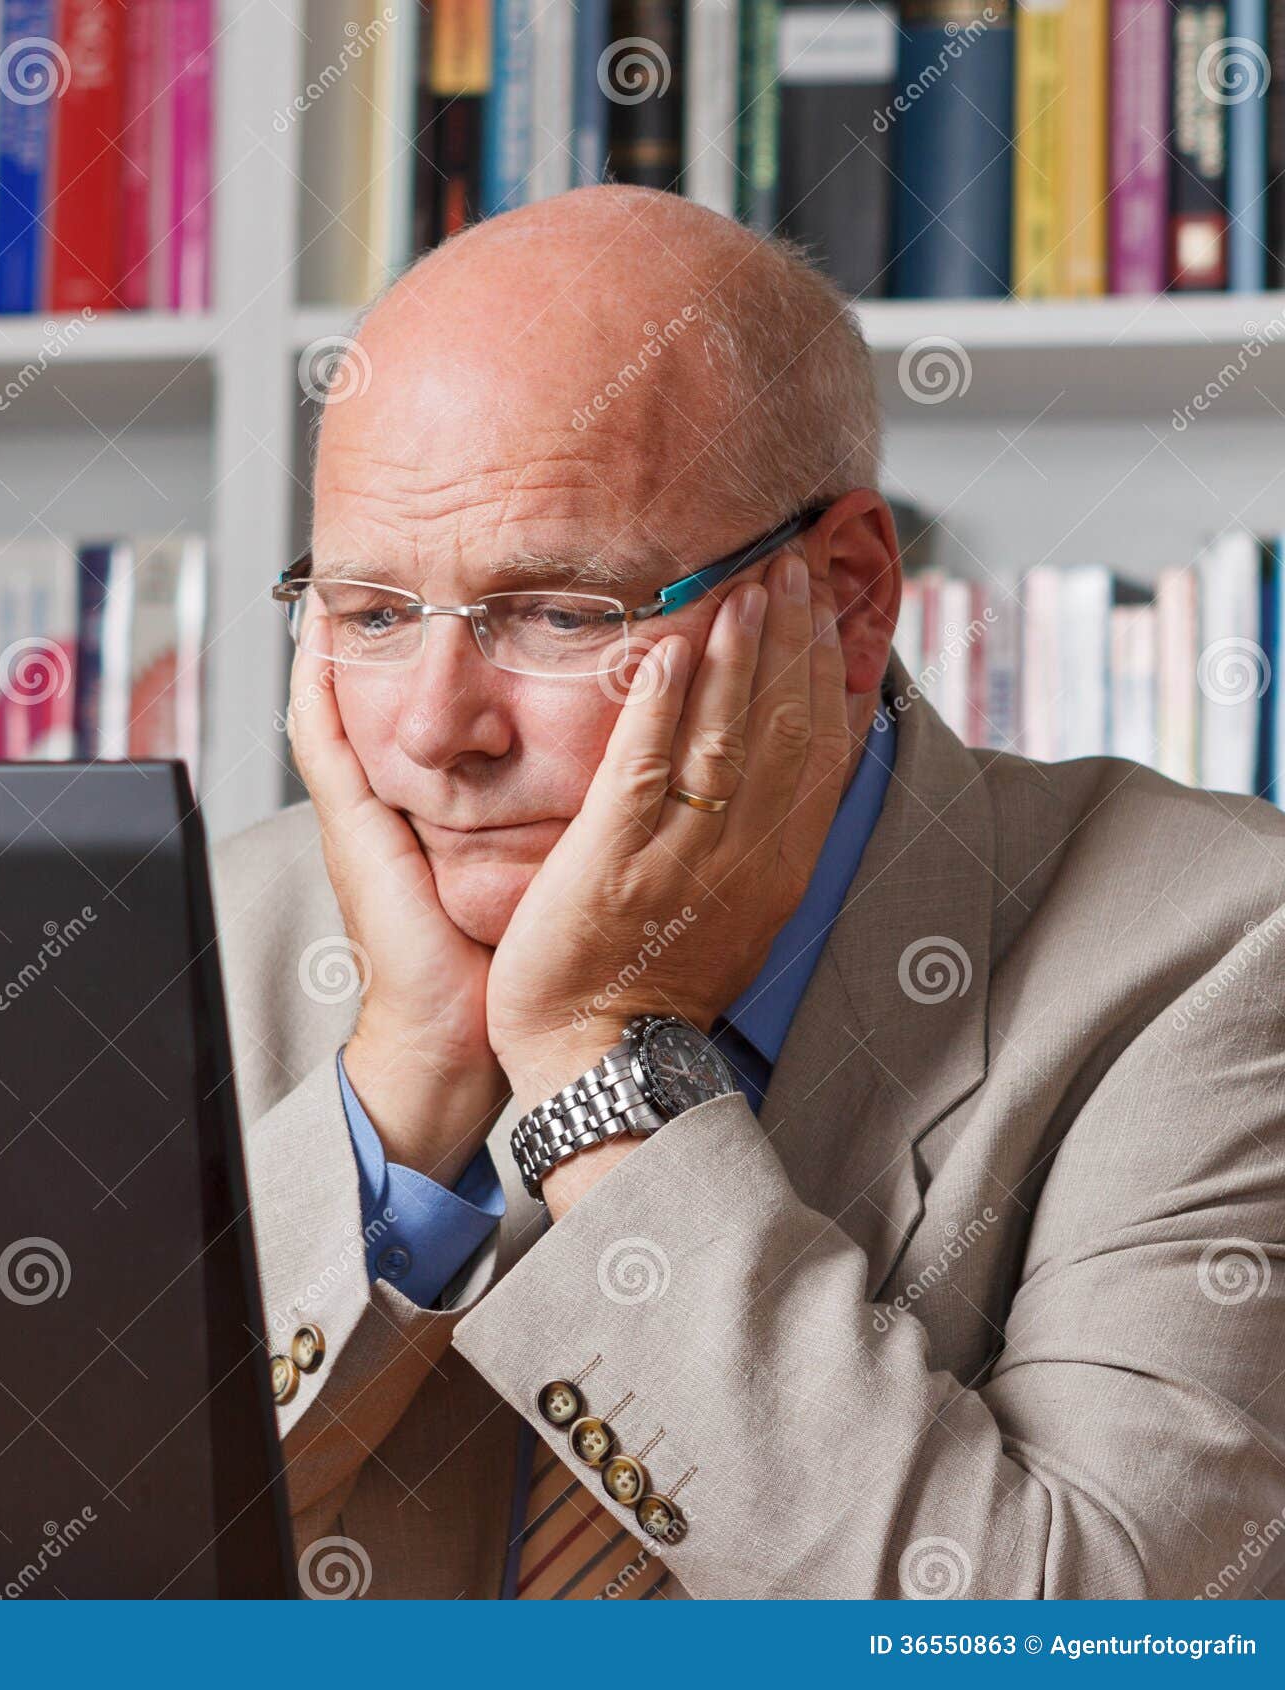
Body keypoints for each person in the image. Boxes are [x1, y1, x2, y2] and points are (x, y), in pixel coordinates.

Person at [213, 185, 1285, 1600]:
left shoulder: (1220, 949)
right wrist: (408, 1085)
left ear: (845, 596)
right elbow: (14, 1592)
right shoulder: (224, 935)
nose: (434, 731)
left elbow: (1083, 1634)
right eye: (372, 614)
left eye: (556, 611)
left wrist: (596, 1058)